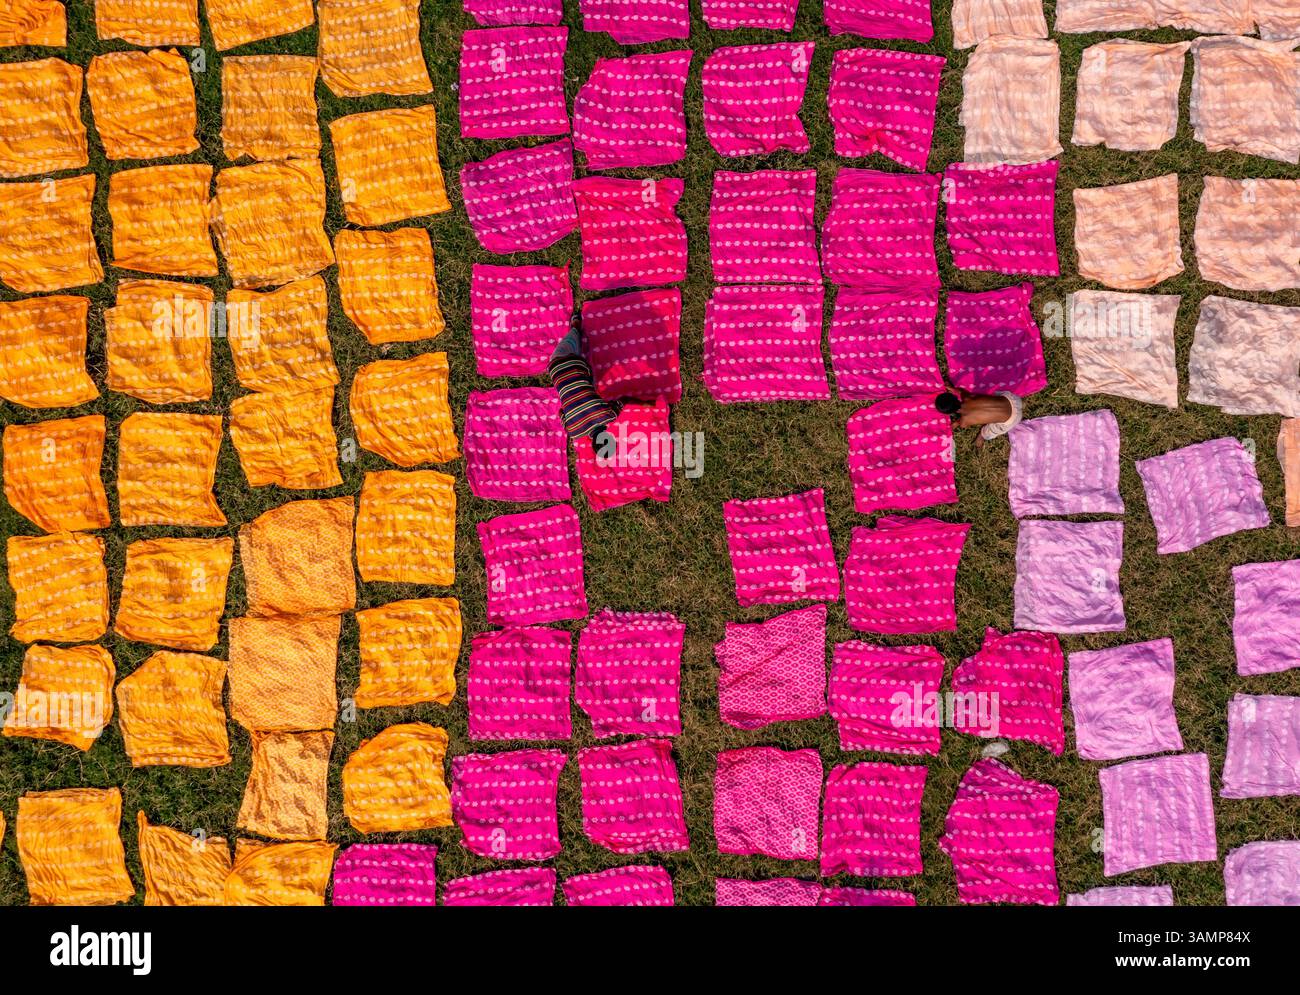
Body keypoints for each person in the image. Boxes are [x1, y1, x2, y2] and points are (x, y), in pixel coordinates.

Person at [547, 311, 618, 458]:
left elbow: (618, 402)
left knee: (574, 346)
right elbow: (561, 412)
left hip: (576, 364)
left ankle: (576, 327)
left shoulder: (609, 415)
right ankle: (575, 337)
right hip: (555, 369)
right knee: (569, 354)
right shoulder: (573, 432)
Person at [935, 389, 1023, 445]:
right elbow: (961, 391)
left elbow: (961, 423)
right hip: (1013, 399)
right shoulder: (967, 397)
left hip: (1013, 418)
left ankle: (981, 437)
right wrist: (953, 389)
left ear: (950, 413)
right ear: (954, 397)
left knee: (991, 431)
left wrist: (956, 423)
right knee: (995, 395)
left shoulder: (964, 421)